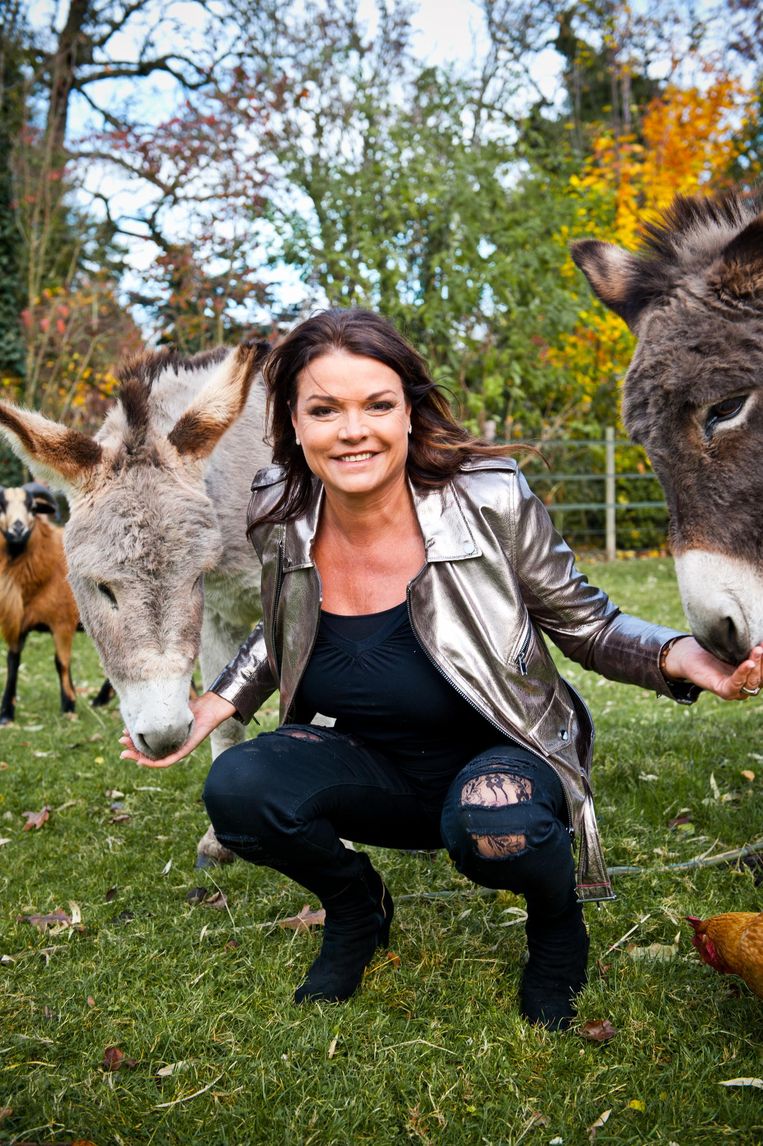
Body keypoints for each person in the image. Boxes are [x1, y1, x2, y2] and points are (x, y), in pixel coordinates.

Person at [120, 308, 763, 1030]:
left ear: (408, 411)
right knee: (237, 791)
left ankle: (557, 922)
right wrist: (221, 701)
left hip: (504, 754)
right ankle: (356, 906)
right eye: (324, 409)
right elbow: (281, 625)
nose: (352, 430)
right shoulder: (281, 506)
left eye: (377, 405)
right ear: (293, 423)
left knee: (493, 823)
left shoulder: (487, 497)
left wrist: (681, 658)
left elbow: (588, 624)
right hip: (370, 761)